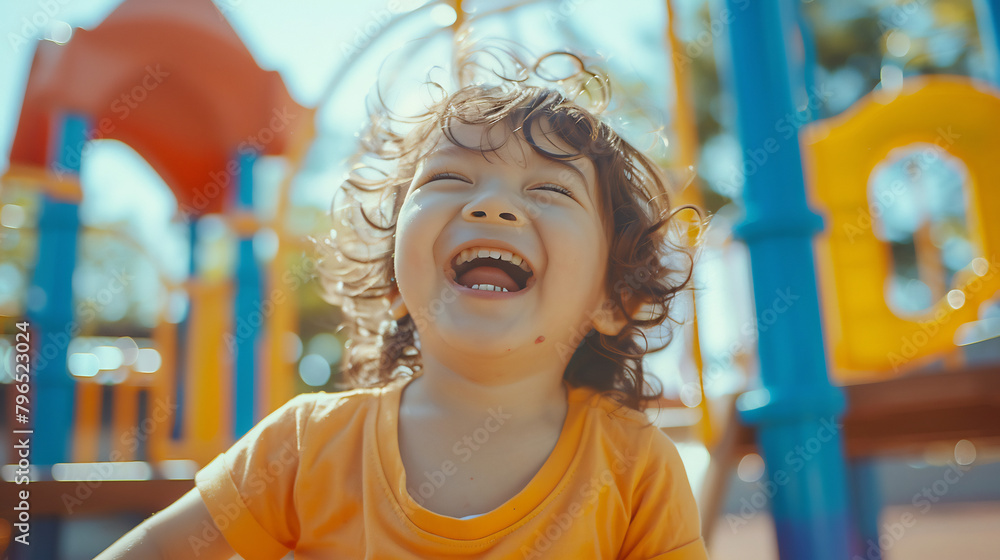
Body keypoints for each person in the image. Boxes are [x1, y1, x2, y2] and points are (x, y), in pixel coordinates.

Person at [97, 45, 708, 559]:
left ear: (612, 299)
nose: (490, 206)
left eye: (549, 188)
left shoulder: (634, 468)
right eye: (450, 179)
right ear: (394, 283)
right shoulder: (309, 444)